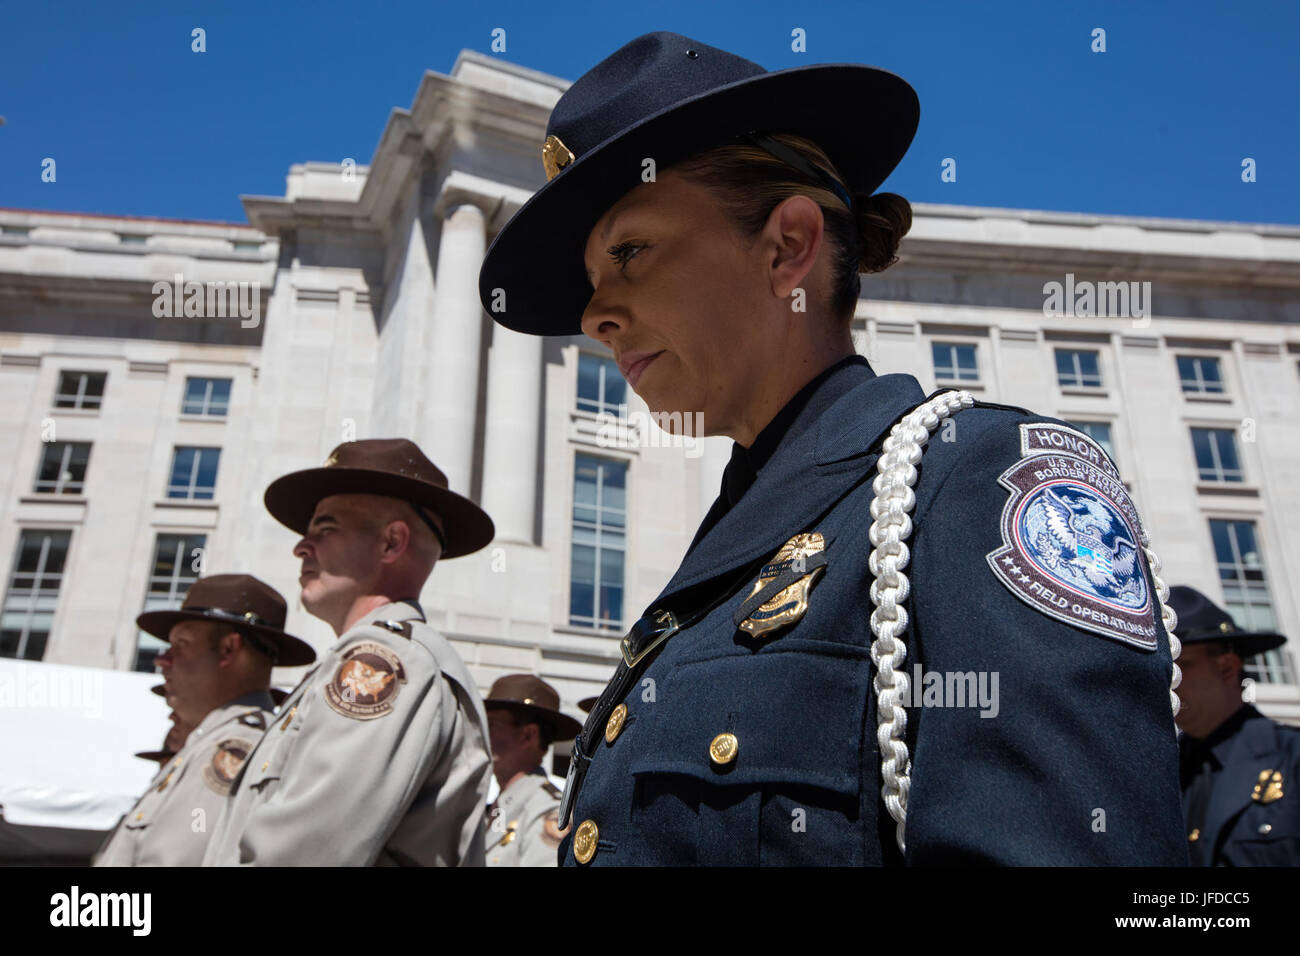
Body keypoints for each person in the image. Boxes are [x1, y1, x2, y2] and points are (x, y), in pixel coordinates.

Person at [478, 31, 1188, 865]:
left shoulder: (979, 482)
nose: (596, 315)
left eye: (629, 253)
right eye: (594, 281)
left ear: (788, 247)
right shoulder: (721, 567)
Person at [202, 439, 495, 866]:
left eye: (325, 528)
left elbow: (302, 855)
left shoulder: (384, 661)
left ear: (392, 543)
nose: (301, 547)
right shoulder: (370, 656)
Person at [94, 575, 314, 866]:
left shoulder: (233, 750)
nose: (163, 660)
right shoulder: (210, 742)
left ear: (228, 650)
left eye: (181, 644)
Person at [1169, 585, 1299, 865]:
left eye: (1179, 668)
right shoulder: (1160, 768)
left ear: (1227, 667)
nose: (1167, 682)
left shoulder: (1292, 758)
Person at [483, 675, 581, 866]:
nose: (483, 734)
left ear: (528, 735)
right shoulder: (491, 806)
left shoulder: (548, 811)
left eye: (492, 726)